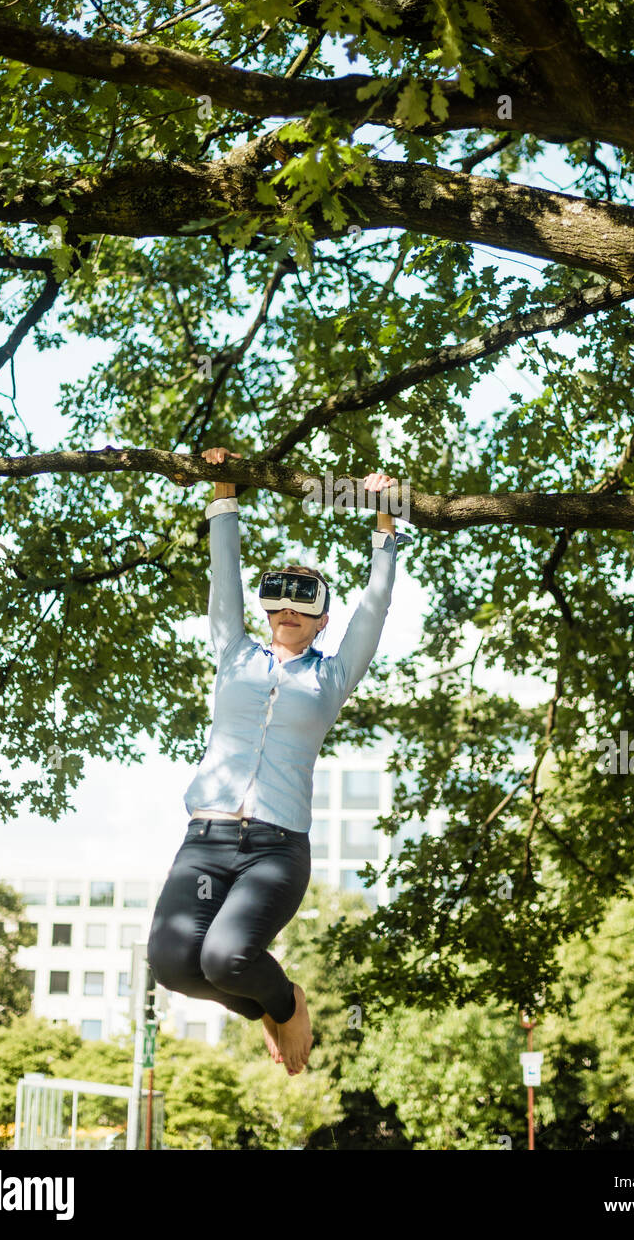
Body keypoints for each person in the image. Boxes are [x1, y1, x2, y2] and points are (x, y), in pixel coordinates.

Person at [147, 446, 407, 1075]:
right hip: (205, 839)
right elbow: (223, 574)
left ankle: (287, 1002)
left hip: (275, 847)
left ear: (320, 622)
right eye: (280, 601)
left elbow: (374, 607)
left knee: (228, 956)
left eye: (305, 606)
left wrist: (384, 525)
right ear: (267, 609)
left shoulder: (334, 675)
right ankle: (266, 1006)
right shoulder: (231, 651)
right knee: (174, 962)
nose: (289, 613)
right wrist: (224, 494)